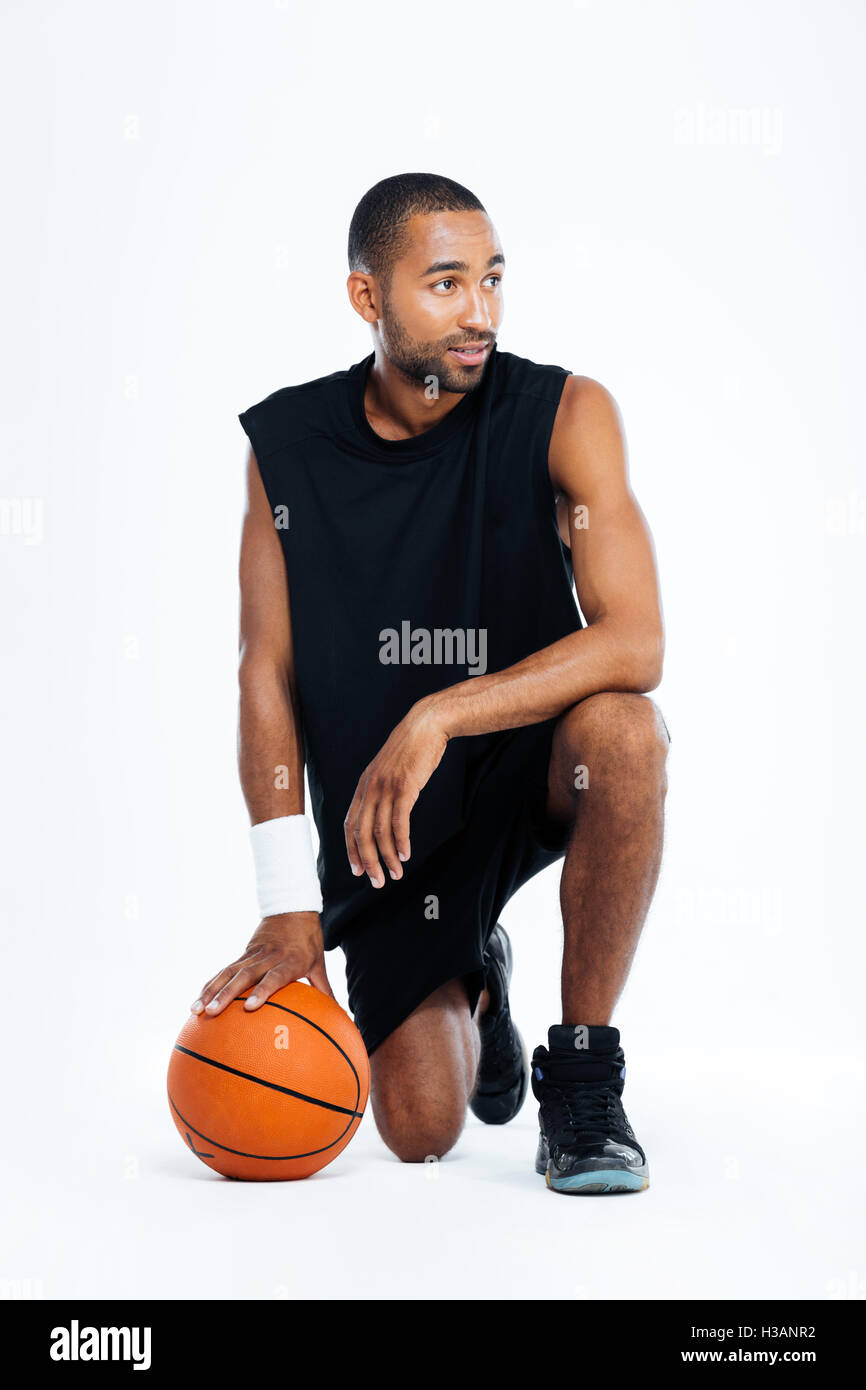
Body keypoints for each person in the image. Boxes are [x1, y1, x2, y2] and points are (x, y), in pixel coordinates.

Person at [190, 172, 670, 1194]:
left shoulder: (565, 411)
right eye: (445, 284)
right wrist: (286, 906)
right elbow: (261, 671)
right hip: (390, 821)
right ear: (368, 299)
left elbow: (634, 642)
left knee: (627, 733)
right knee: (417, 1130)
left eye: (491, 280)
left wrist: (439, 712)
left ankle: (583, 1080)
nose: (479, 312)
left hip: (535, 759)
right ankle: (474, 970)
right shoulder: (285, 447)